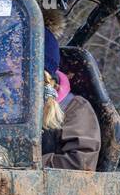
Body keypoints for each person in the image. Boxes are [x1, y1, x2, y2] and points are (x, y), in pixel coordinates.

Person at [40, 28, 100, 171]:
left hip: (46, 190)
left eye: (16, 69)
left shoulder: (74, 108)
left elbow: (80, 163)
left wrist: (26, 165)